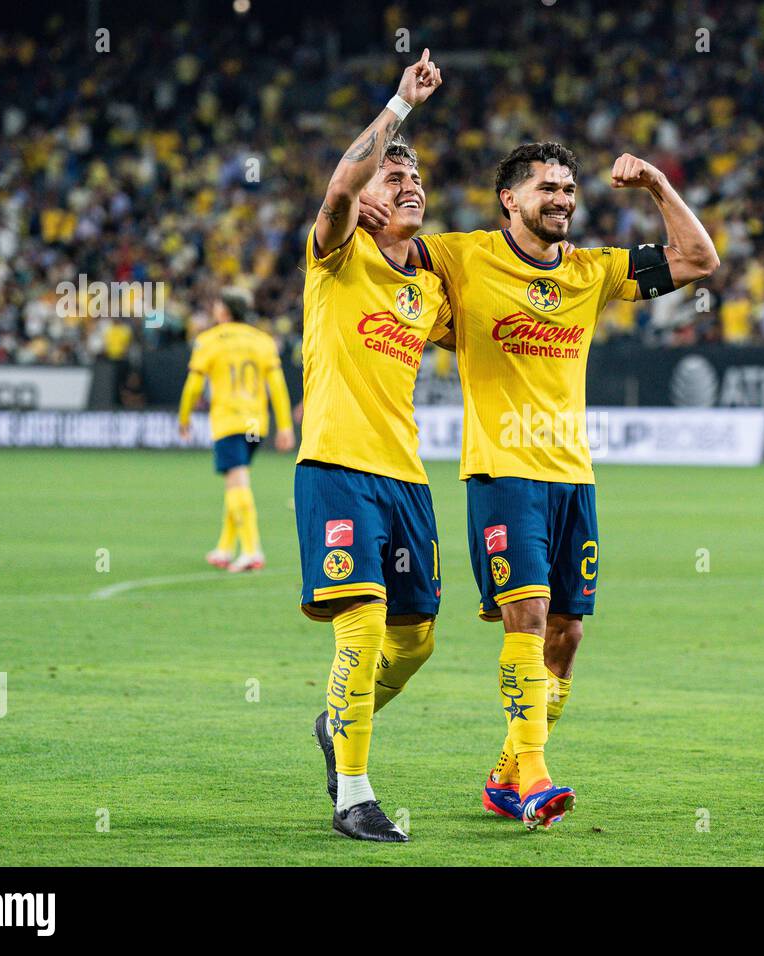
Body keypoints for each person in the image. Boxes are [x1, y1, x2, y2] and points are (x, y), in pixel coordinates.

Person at [381, 142, 719, 829]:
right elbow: (384, 244)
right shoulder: (462, 256)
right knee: (528, 617)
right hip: (502, 473)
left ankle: (507, 773)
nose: (563, 198)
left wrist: (656, 181)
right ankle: (535, 776)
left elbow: (699, 260)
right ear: (511, 199)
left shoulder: (592, 271)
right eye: (547, 188)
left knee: (566, 634)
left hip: (573, 477)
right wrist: (367, 195)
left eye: (569, 188)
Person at [297, 50, 451, 842]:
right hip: (335, 469)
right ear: (364, 202)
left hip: (407, 480)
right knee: (361, 621)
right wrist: (400, 104)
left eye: (417, 177)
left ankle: (335, 721)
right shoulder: (335, 254)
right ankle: (352, 793)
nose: (410, 184)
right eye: (394, 179)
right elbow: (338, 188)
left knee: (417, 637)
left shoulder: (428, 290)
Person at [178, 288, 295, 572]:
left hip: (229, 421)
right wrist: (285, 426)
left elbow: (194, 385)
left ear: (224, 311)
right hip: (257, 423)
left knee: (237, 483)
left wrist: (184, 418)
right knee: (237, 479)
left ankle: (252, 551)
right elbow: (277, 386)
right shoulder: (263, 341)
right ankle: (225, 547)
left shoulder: (208, 341)